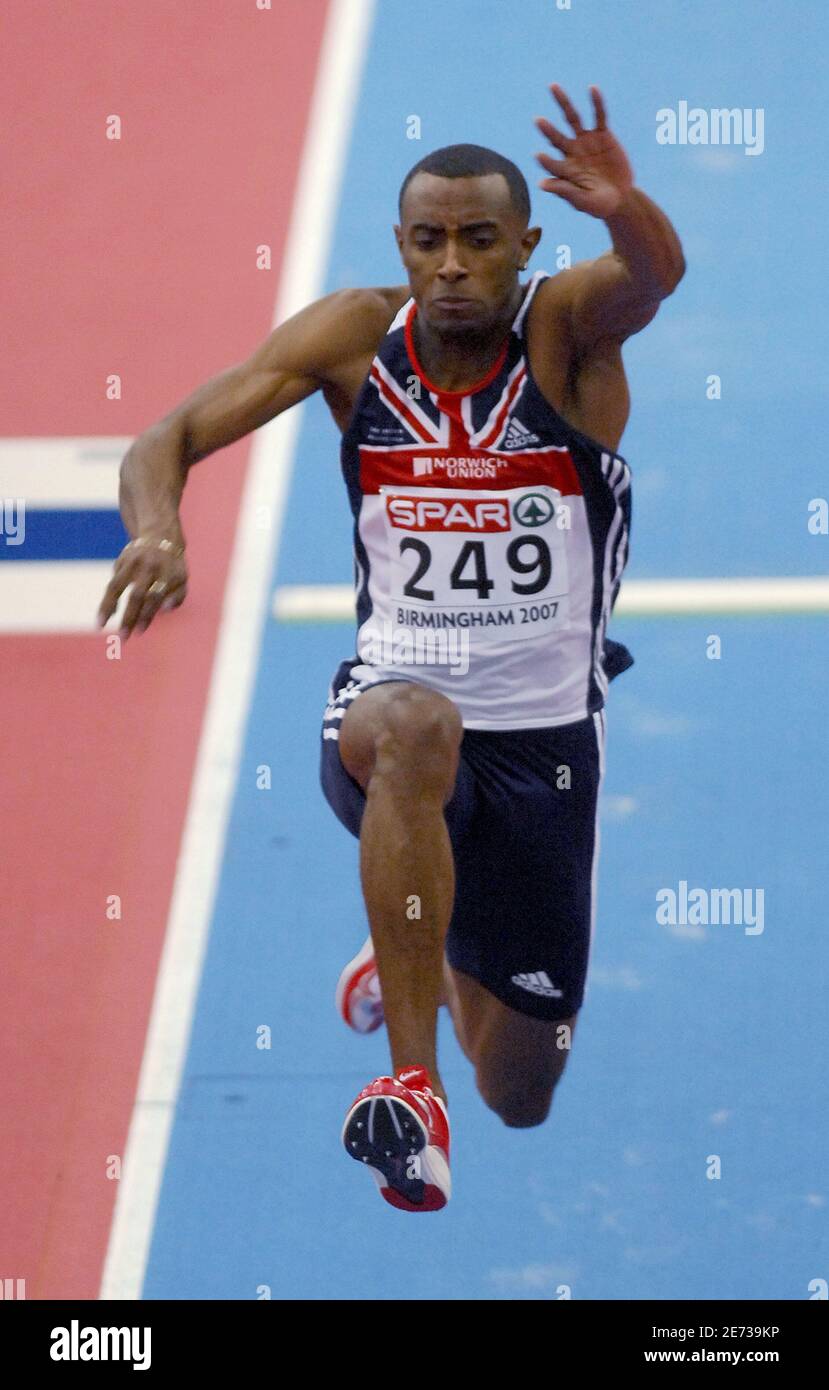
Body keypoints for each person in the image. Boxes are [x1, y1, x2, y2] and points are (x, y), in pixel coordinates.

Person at [98, 84, 685, 1213]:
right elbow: (163, 435)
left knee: (520, 1089)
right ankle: (411, 1089)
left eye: (478, 239)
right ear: (402, 246)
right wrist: (160, 527)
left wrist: (628, 208)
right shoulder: (355, 340)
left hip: (546, 749)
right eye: (430, 240)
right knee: (415, 725)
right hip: (388, 718)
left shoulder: (563, 334)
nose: (453, 263)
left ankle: (413, 943)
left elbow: (653, 275)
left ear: (524, 245)